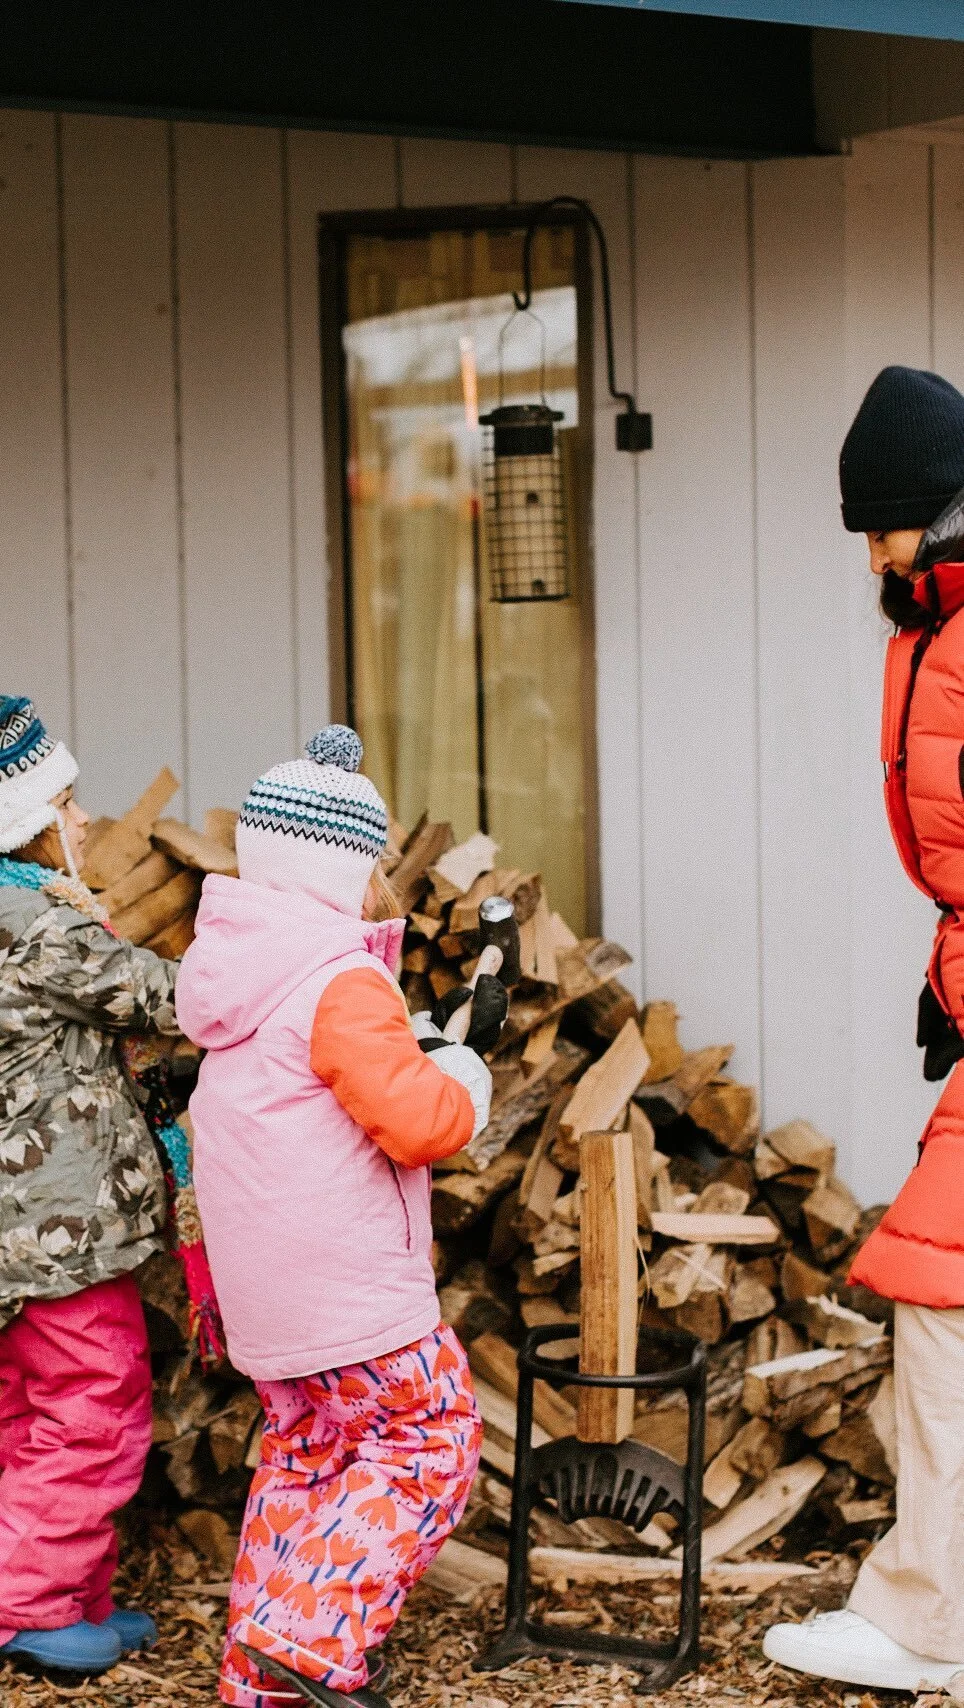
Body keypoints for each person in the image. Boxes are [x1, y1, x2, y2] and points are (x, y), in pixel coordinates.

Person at [176, 725, 498, 1708]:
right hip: (353, 1298)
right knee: (429, 1443)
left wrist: (423, 1040)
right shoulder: (339, 980)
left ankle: (259, 1673)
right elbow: (417, 1123)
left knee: (309, 1461)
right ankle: (309, 1644)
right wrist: (468, 1072)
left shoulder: (235, 978)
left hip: (269, 1308)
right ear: (341, 871)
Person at [764, 366, 964, 1692]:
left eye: (881, 526)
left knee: (944, 1295)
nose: (872, 553)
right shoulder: (936, 627)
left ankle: (925, 1619)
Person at [0, 695, 181, 1676]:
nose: (81, 824)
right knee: (95, 1400)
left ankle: (69, 1593)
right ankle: (28, 1604)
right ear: (24, 819)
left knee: (32, 1410)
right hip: (58, 1229)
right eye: (67, 805)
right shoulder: (34, 923)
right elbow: (159, 990)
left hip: (18, 1236)